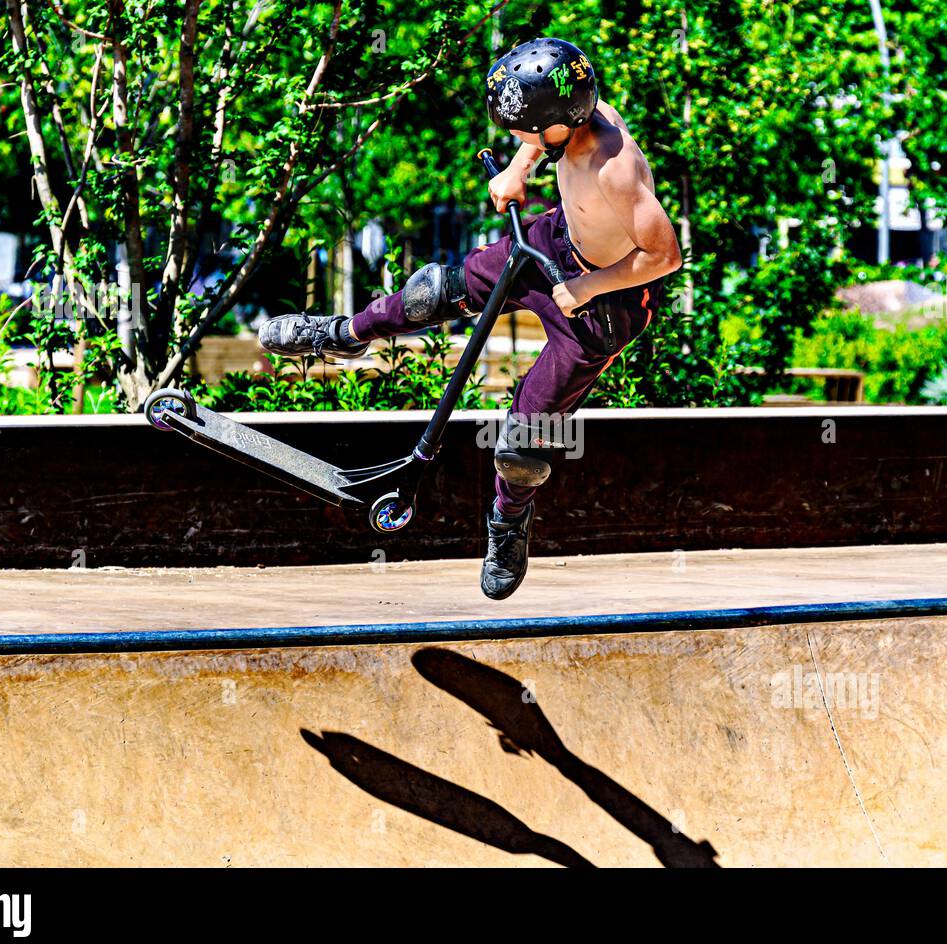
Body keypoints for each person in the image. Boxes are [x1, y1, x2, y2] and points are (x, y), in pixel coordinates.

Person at [258, 37, 683, 599]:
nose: (517, 137)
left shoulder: (614, 168)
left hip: (604, 302)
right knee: (434, 293)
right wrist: (518, 168)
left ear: (560, 123)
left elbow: (663, 256)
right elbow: (537, 137)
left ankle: (508, 525)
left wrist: (586, 286)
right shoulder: (576, 113)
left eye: (524, 132)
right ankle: (344, 335)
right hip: (553, 245)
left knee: (524, 438)